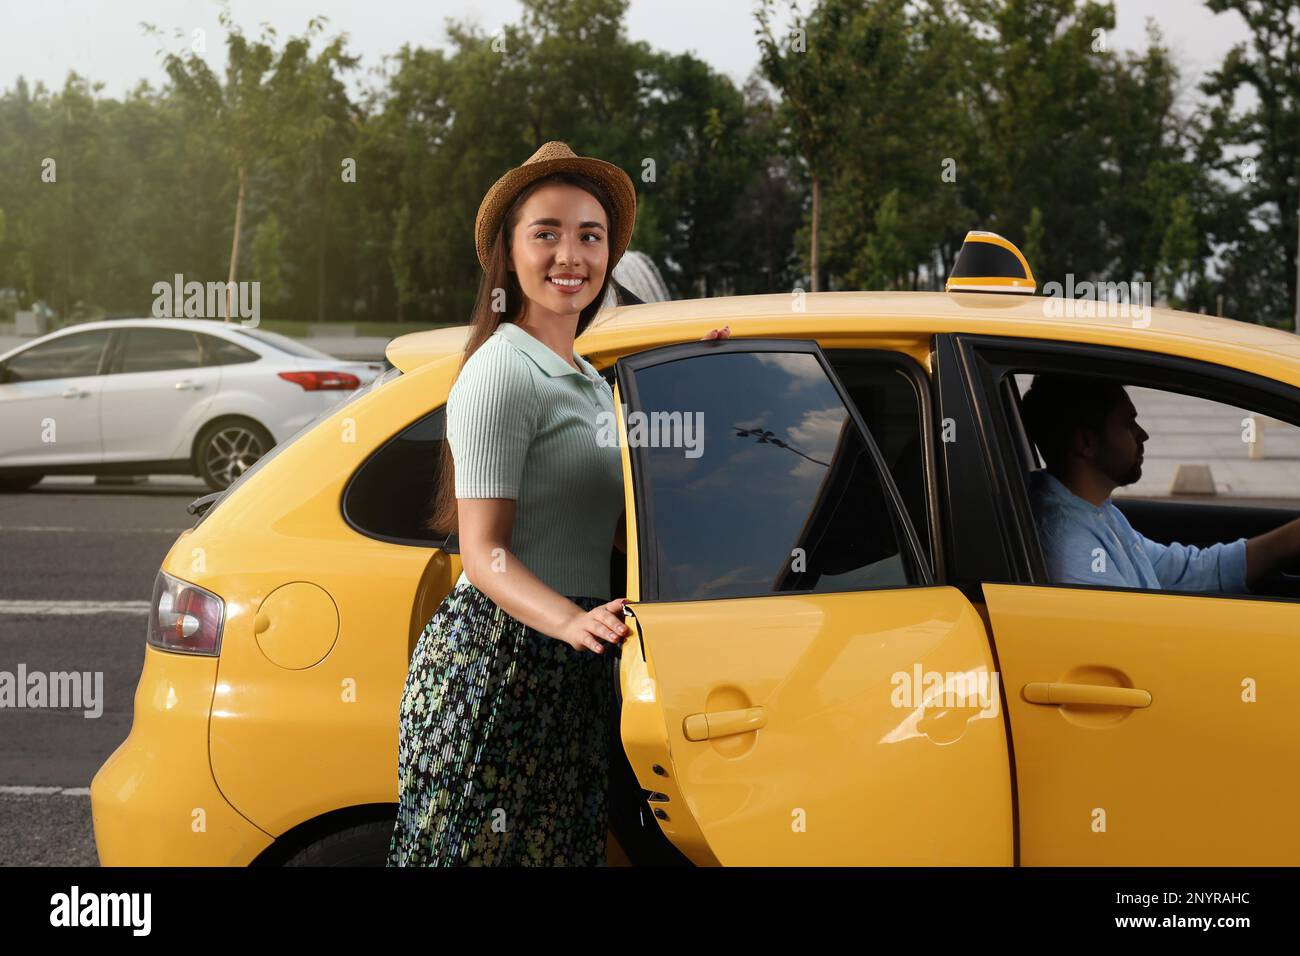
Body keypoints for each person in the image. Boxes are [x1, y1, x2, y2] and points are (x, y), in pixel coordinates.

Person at [387, 141, 728, 867]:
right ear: (507, 256)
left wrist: (715, 370)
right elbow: (483, 553)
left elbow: (631, 510)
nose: (569, 255)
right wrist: (572, 621)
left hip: (570, 673)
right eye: (546, 233)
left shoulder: (584, 376)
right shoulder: (501, 371)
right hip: (500, 672)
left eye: (589, 236)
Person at [1018, 373, 1300, 593]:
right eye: (1129, 424)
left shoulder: (1094, 511)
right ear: (1086, 443)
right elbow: (1124, 642)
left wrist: (1288, 541)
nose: (1143, 435)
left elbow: (1183, 571)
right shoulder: (1074, 547)